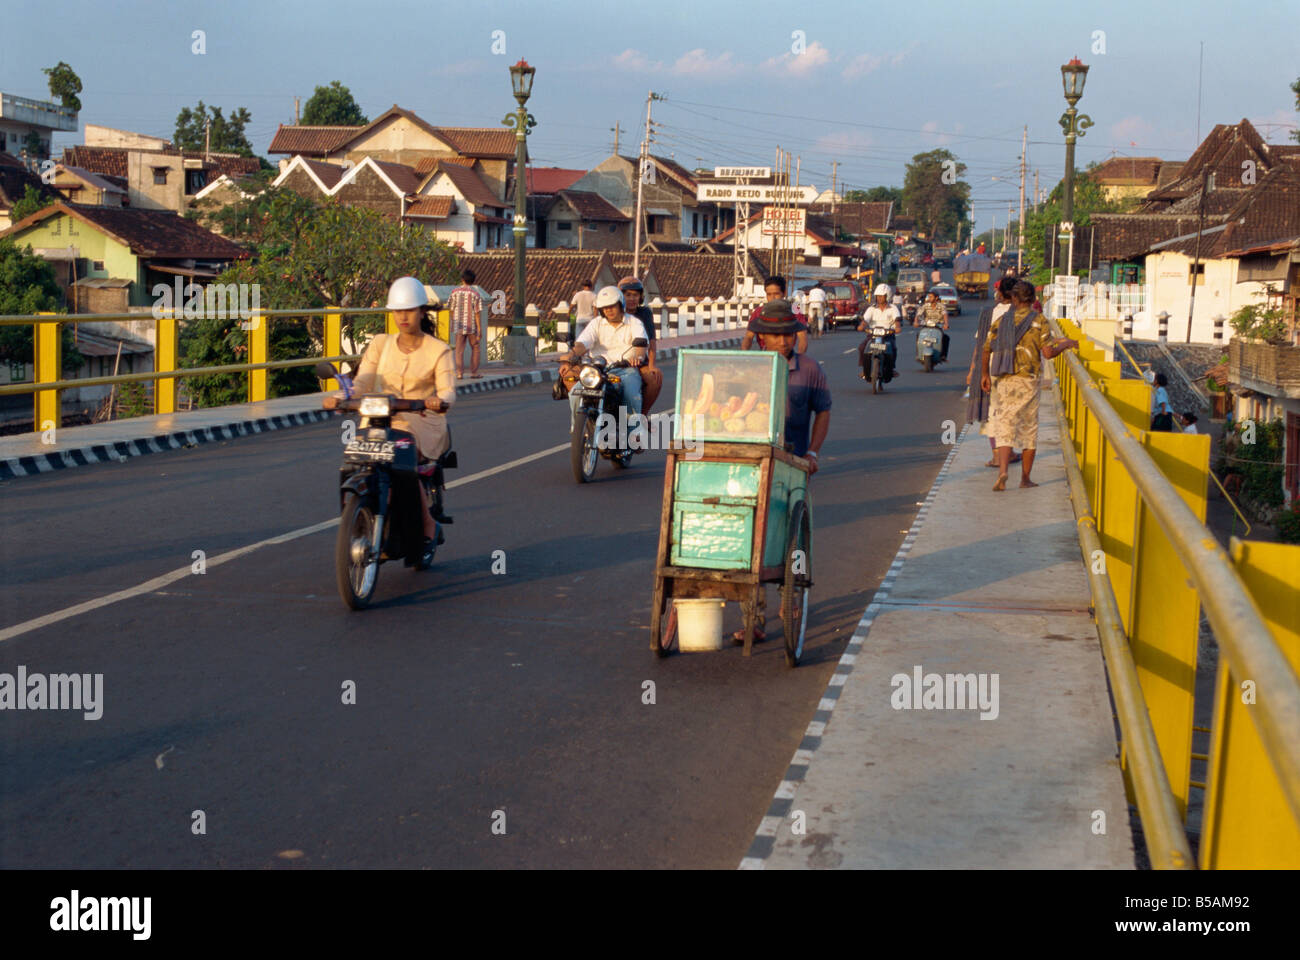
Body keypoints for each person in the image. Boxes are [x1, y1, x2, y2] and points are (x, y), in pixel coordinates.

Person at [322, 276, 455, 560]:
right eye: (397, 311)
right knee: (358, 460)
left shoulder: (438, 349)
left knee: (401, 459)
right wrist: (343, 397)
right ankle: (368, 516)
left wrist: (438, 400)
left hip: (422, 419)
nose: (402, 317)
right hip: (381, 420)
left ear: (421, 311)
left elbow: (448, 391)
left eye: (408, 310)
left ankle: (428, 524)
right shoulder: (380, 344)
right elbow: (363, 380)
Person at [734, 300, 831, 645]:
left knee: (796, 537)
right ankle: (753, 617)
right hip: (753, 462)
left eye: (788, 335)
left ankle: (793, 595)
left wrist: (813, 452)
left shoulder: (810, 369)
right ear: (762, 338)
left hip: (793, 464)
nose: (783, 342)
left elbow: (823, 411)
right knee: (752, 538)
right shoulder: (745, 370)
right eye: (775, 336)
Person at [980, 280, 1078, 491]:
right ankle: (1025, 479)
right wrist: (1066, 344)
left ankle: (1003, 471)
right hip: (1029, 381)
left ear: (1014, 299)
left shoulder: (1002, 321)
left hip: (1004, 379)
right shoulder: (1039, 320)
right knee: (1028, 430)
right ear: (1033, 300)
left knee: (1005, 425)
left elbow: (986, 348)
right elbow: (1048, 353)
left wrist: (984, 374)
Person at [558, 285, 648, 428]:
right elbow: (583, 342)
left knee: (632, 395)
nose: (609, 310)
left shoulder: (634, 322)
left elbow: (641, 345)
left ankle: (633, 433)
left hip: (625, 369)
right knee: (575, 393)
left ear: (620, 305)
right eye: (605, 307)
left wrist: (638, 356)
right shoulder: (596, 323)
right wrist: (571, 355)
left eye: (612, 306)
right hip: (597, 370)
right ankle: (577, 430)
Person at [968, 276, 1020, 467]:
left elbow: (981, 344)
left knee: (991, 411)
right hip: (1013, 368)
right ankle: (1009, 452)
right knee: (1009, 412)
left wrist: (976, 371)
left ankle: (997, 454)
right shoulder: (1021, 314)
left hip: (988, 366)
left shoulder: (987, 313)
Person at [619, 275, 662, 413]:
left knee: (655, 378)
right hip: (612, 360)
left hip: (637, 360)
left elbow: (652, 341)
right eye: (627, 295)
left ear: (640, 297)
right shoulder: (613, 312)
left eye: (635, 295)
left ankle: (642, 414)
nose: (631, 299)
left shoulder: (644, 313)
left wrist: (651, 364)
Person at [741, 275, 808, 354]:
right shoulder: (759, 312)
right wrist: (744, 356)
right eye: (769, 294)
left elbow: (803, 339)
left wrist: (799, 359)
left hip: (787, 355)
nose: (772, 298)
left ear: (784, 293)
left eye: (776, 294)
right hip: (766, 355)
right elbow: (748, 337)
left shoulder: (794, 312)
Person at [858, 283, 903, 381]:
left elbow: (897, 321)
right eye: (878, 296)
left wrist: (897, 328)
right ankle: (865, 369)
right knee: (862, 347)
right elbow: (865, 320)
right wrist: (862, 326)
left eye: (882, 296)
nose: (879, 298)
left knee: (893, 349)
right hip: (873, 335)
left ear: (887, 296)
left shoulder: (893, 308)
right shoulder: (871, 308)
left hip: (888, 335)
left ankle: (892, 369)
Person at [447, 269, 483, 379]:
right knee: (475, 348)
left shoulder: (454, 292)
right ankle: (474, 372)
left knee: (459, 350)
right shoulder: (475, 294)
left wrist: (455, 320)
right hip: (471, 326)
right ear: (473, 281)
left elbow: (451, 308)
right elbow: (477, 313)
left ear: (462, 279)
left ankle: (459, 373)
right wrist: (479, 329)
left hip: (459, 326)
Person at [917, 290, 951, 362]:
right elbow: (919, 314)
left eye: (931, 297)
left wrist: (946, 324)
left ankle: (943, 356)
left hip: (938, 326)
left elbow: (945, 314)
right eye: (929, 297)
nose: (929, 298)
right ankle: (918, 354)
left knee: (946, 338)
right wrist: (915, 322)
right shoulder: (925, 306)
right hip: (927, 326)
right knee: (918, 335)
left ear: (936, 298)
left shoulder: (941, 306)